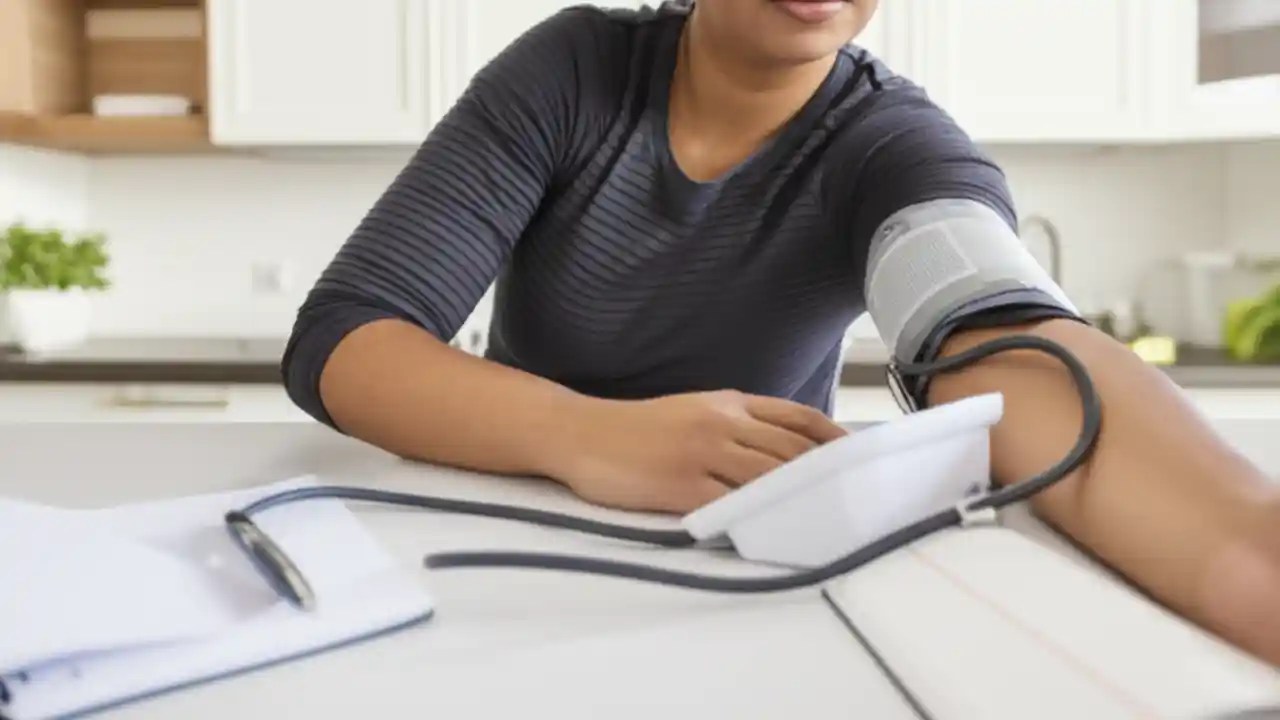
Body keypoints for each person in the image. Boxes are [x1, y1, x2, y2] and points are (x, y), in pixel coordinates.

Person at [282, 0, 1280, 666]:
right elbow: (345, 339)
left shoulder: (893, 145)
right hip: (496, 564)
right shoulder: (571, 71)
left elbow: (999, 337)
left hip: (750, 591)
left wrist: (1248, 561)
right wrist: (590, 438)